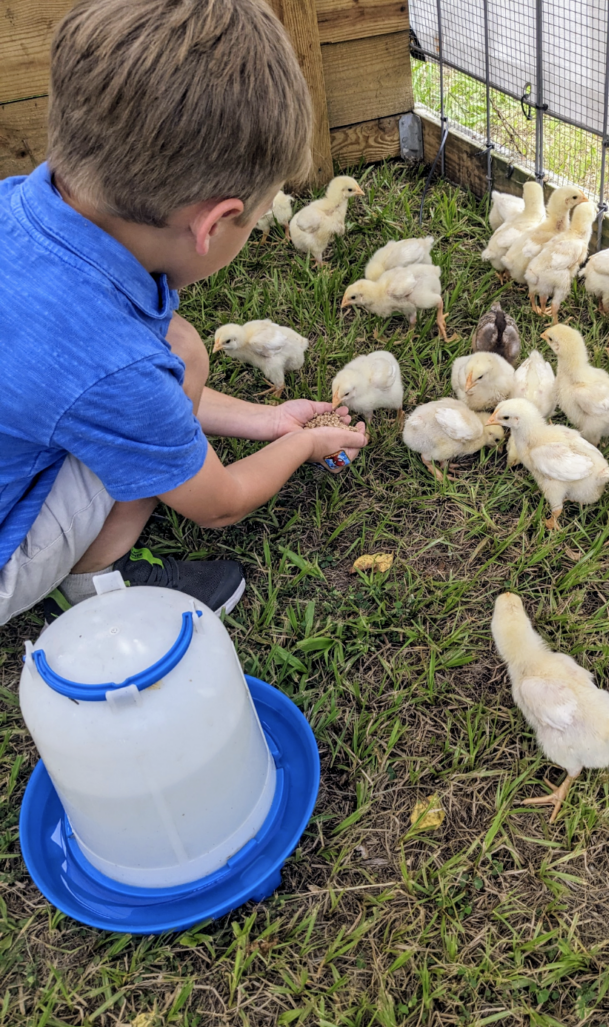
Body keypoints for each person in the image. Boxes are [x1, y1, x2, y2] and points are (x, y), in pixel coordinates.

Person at [0, 0, 367, 627]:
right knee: (182, 352)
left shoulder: (14, 206)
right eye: (252, 220)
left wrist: (270, 420)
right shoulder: (117, 366)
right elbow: (220, 503)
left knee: (176, 348)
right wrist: (302, 445)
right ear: (217, 223)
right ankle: (95, 578)